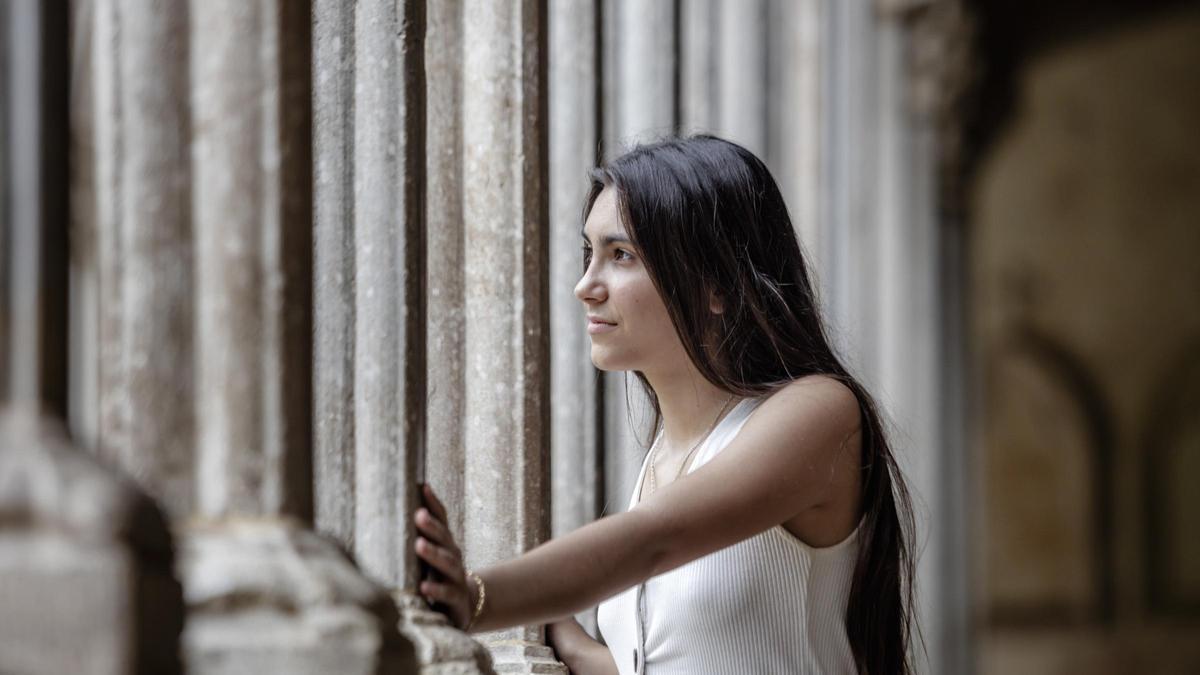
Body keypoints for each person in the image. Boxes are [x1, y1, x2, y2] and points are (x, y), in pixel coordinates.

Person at [413, 135, 916, 674]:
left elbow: (653, 540)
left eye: (621, 255)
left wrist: (476, 597)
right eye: (590, 254)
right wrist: (572, 645)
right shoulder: (661, 457)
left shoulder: (820, 412)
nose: (586, 286)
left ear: (717, 286)